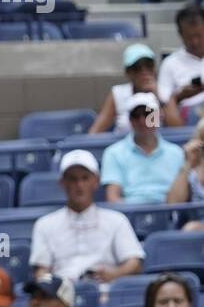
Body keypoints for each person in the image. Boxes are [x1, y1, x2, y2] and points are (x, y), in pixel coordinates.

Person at [30, 149, 145, 282]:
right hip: (62, 295)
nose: (79, 185)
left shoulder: (116, 220)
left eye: (85, 178)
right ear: (63, 183)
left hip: (106, 290)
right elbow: (41, 270)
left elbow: (134, 263)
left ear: (96, 181)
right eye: (73, 179)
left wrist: (114, 274)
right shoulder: (45, 224)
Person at [101, 93, 186, 205]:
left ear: (159, 116)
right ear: (130, 120)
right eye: (136, 115)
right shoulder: (113, 153)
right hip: (131, 216)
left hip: (171, 214)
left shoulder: (177, 153)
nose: (142, 120)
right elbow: (113, 198)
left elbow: (184, 198)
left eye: (148, 114)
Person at [91, 43, 182, 134]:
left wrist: (158, 96)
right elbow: (95, 132)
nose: (144, 72)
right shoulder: (118, 93)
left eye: (149, 66)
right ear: (128, 72)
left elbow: (177, 131)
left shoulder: (165, 92)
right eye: (137, 68)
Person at [157, 4, 204, 121]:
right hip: (187, 118)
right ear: (180, 34)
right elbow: (163, 103)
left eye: (199, 35)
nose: (195, 42)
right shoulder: (170, 63)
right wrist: (180, 96)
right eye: (189, 37)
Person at [165, 118, 204, 227]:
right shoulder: (191, 169)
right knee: (192, 228)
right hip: (198, 230)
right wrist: (188, 164)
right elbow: (173, 205)